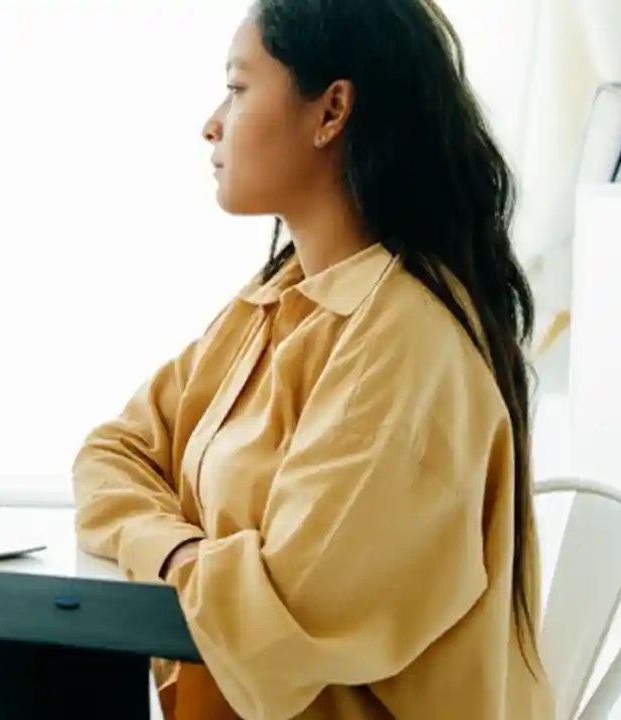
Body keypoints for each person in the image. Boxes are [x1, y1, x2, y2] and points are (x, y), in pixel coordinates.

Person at [71, 1, 557, 718]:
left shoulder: (406, 350)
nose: (212, 123)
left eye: (237, 89)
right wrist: (182, 553)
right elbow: (114, 449)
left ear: (331, 111)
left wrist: (168, 555)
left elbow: (275, 624)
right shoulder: (283, 296)